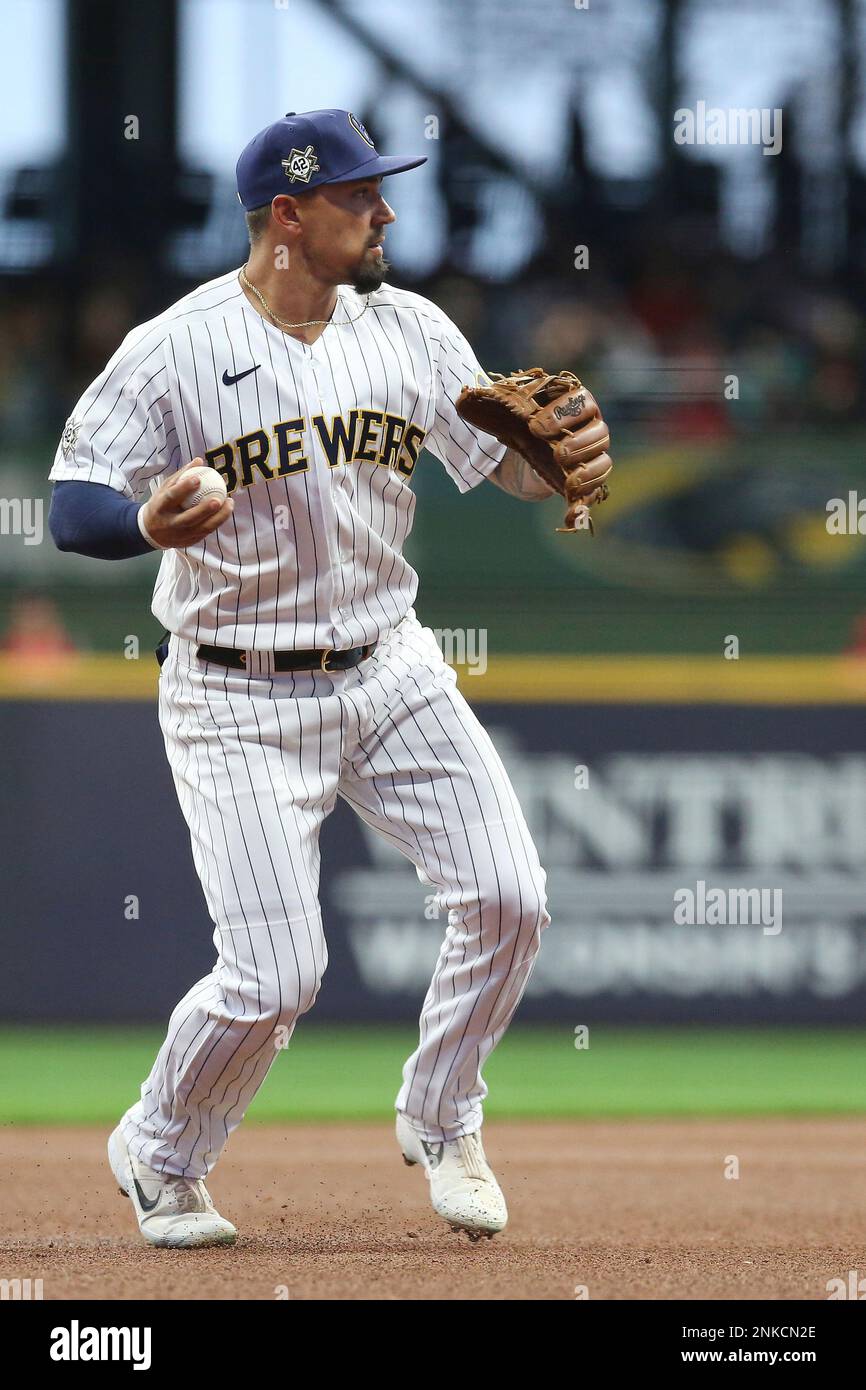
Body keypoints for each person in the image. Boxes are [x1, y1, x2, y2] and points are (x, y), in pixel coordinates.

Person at [49, 109, 612, 1247]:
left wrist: (551, 464)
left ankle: (443, 1113)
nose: (386, 212)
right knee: (274, 974)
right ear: (287, 218)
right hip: (235, 692)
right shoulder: (175, 345)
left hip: (390, 661)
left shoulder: (406, 328)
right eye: (360, 197)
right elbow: (71, 505)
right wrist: (144, 519)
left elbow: (494, 457)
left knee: (509, 897)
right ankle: (160, 1153)